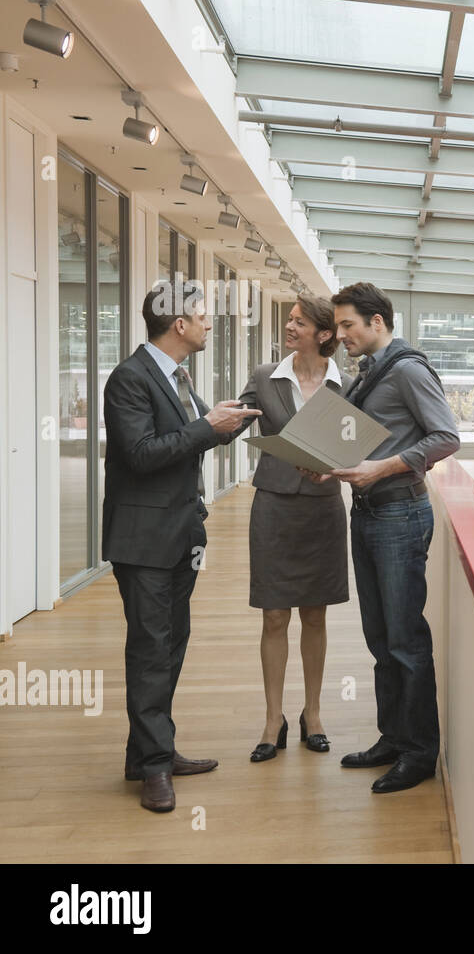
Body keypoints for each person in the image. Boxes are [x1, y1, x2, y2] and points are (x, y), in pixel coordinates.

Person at [102, 281, 261, 812]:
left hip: (180, 535)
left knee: (169, 646)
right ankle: (153, 770)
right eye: (203, 316)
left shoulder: (177, 376)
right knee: (150, 651)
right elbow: (143, 454)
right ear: (178, 324)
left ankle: (149, 753)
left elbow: (191, 437)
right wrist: (205, 425)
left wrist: (231, 421)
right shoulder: (130, 377)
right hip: (143, 540)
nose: (209, 324)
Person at [321, 282, 460, 793]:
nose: (340, 336)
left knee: (404, 641)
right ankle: (393, 737)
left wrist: (380, 469)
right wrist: (332, 466)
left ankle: (421, 753)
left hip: (399, 515)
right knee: (380, 639)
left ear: (377, 322)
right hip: (370, 511)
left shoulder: (406, 370)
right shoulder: (371, 372)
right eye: (337, 327)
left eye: (347, 326)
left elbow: (446, 436)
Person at [236, 294, 352, 762]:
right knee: (273, 615)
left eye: (299, 322)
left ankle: (314, 714)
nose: (289, 327)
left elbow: (354, 442)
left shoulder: (349, 384)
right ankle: (272, 719)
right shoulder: (266, 377)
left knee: (316, 615)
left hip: (323, 510)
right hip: (274, 508)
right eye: (289, 320)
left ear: (324, 335)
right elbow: (236, 419)